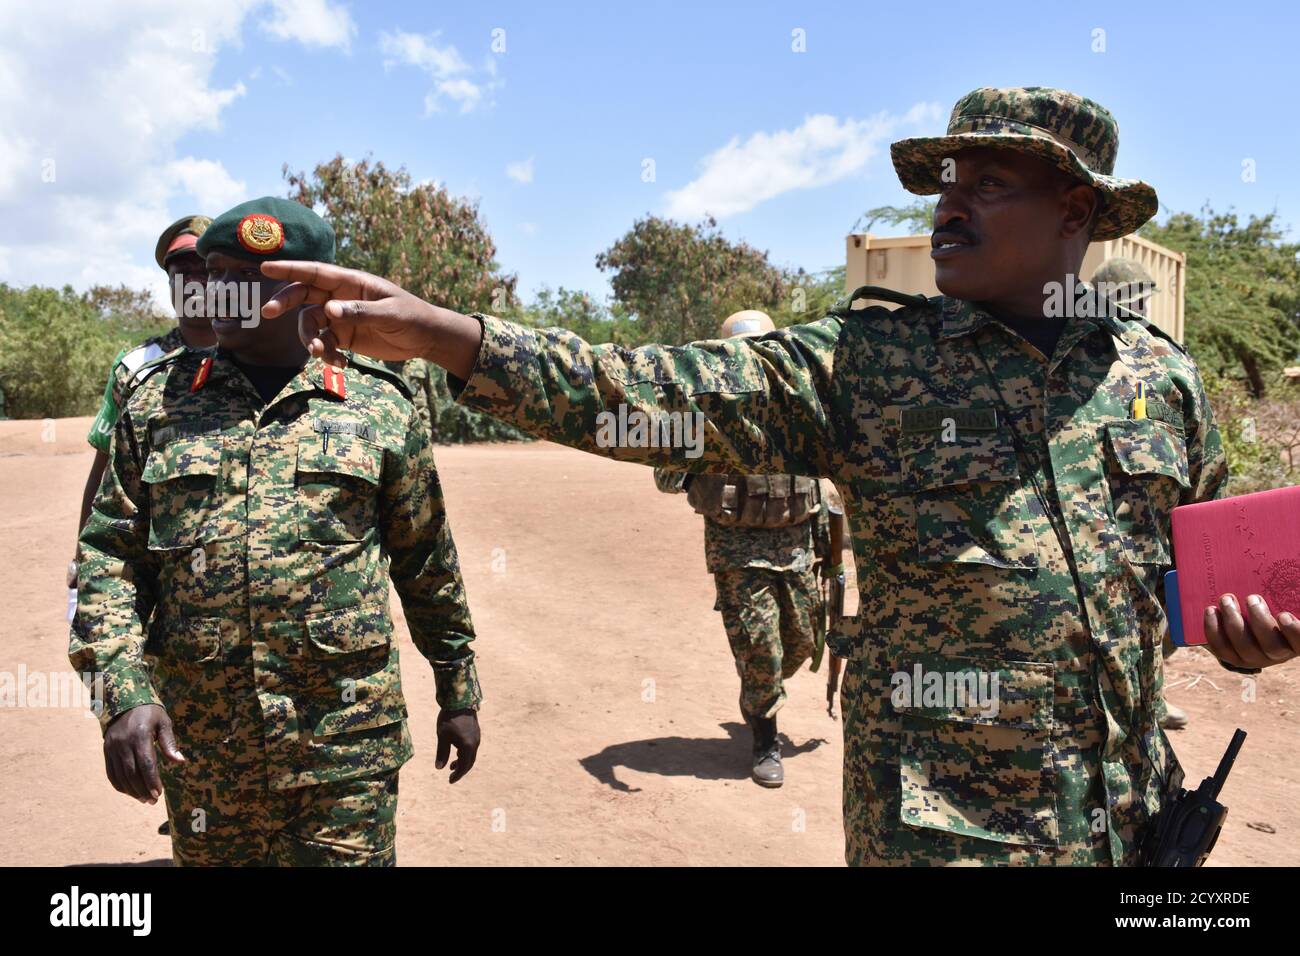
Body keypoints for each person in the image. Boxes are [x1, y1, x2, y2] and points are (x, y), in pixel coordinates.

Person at [258, 87, 1300, 866]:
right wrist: (453, 338)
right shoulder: (868, 362)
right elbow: (644, 388)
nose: (949, 207)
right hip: (949, 836)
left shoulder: (1159, 380)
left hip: (1128, 824)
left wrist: (1246, 635)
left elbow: (1181, 585)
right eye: (944, 183)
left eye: (988, 184)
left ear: (1075, 214)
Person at [71, 197, 482, 866]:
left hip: (345, 752)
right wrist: (120, 695)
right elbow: (108, 556)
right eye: (211, 272)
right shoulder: (157, 403)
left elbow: (425, 558)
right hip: (207, 756)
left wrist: (457, 687)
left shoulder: (382, 402)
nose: (215, 291)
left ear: (307, 286)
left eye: (244, 275)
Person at [653, 309, 843, 788]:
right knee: (762, 649)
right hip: (737, 551)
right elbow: (665, 477)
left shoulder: (802, 402)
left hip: (797, 544)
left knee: (802, 641)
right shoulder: (706, 408)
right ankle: (765, 739)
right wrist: (696, 447)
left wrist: (828, 545)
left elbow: (828, 474)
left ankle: (764, 692)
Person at [70, 216, 216, 607]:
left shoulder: (255, 358)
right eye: (181, 272)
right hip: (158, 579)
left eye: (204, 270)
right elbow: (104, 475)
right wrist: (81, 563)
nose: (192, 282)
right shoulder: (136, 366)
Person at [1092, 256, 1187, 731]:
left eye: (1141, 297)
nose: (1138, 306)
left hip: (1153, 533)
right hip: (1103, 532)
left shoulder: (1164, 362)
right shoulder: (1083, 362)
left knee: (1160, 618)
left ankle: (1153, 693)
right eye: (1129, 297)